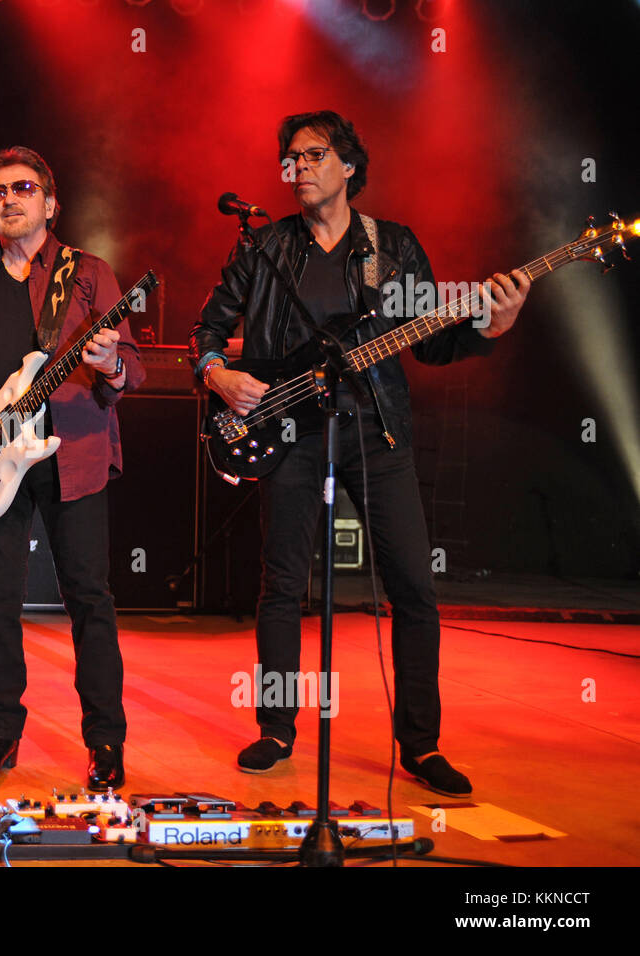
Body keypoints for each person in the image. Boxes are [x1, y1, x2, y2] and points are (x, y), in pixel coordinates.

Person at [190, 110, 529, 797]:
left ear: (350, 166)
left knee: (414, 589)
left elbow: (431, 341)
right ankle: (277, 728)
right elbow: (210, 325)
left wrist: (494, 325)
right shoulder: (264, 248)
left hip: (377, 433)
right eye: (289, 157)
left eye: (313, 155)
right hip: (290, 433)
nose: (298, 167)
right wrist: (215, 372)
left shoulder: (393, 247)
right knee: (283, 585)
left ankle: (422, 745)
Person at [0, 146, 144, 790]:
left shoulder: (89, 274)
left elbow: (131, 369)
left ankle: (105, 744)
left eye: (23, 188)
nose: (9, 199)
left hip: (72, 454)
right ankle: (0, 733)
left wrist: (110, 361)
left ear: (50, 204)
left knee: (90, 600)